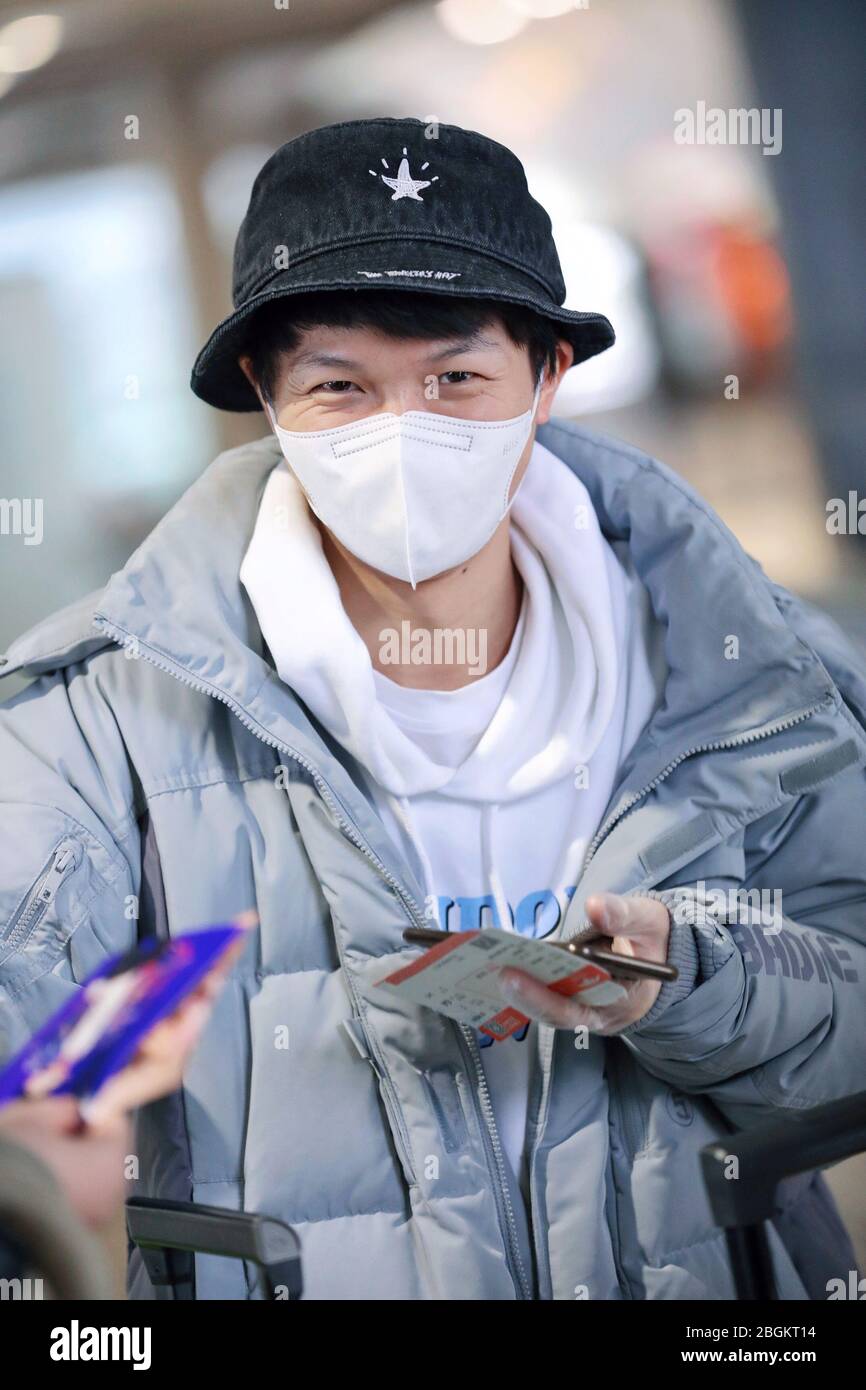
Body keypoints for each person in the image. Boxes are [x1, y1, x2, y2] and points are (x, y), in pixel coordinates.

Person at [1, 116, 864, 1301]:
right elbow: (21, 1028)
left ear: (548, 378)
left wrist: (698, 977)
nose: (401, 432)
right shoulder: (98, 721)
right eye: (339, 386)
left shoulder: (749, 679)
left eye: (455, 377)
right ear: (264, 394)